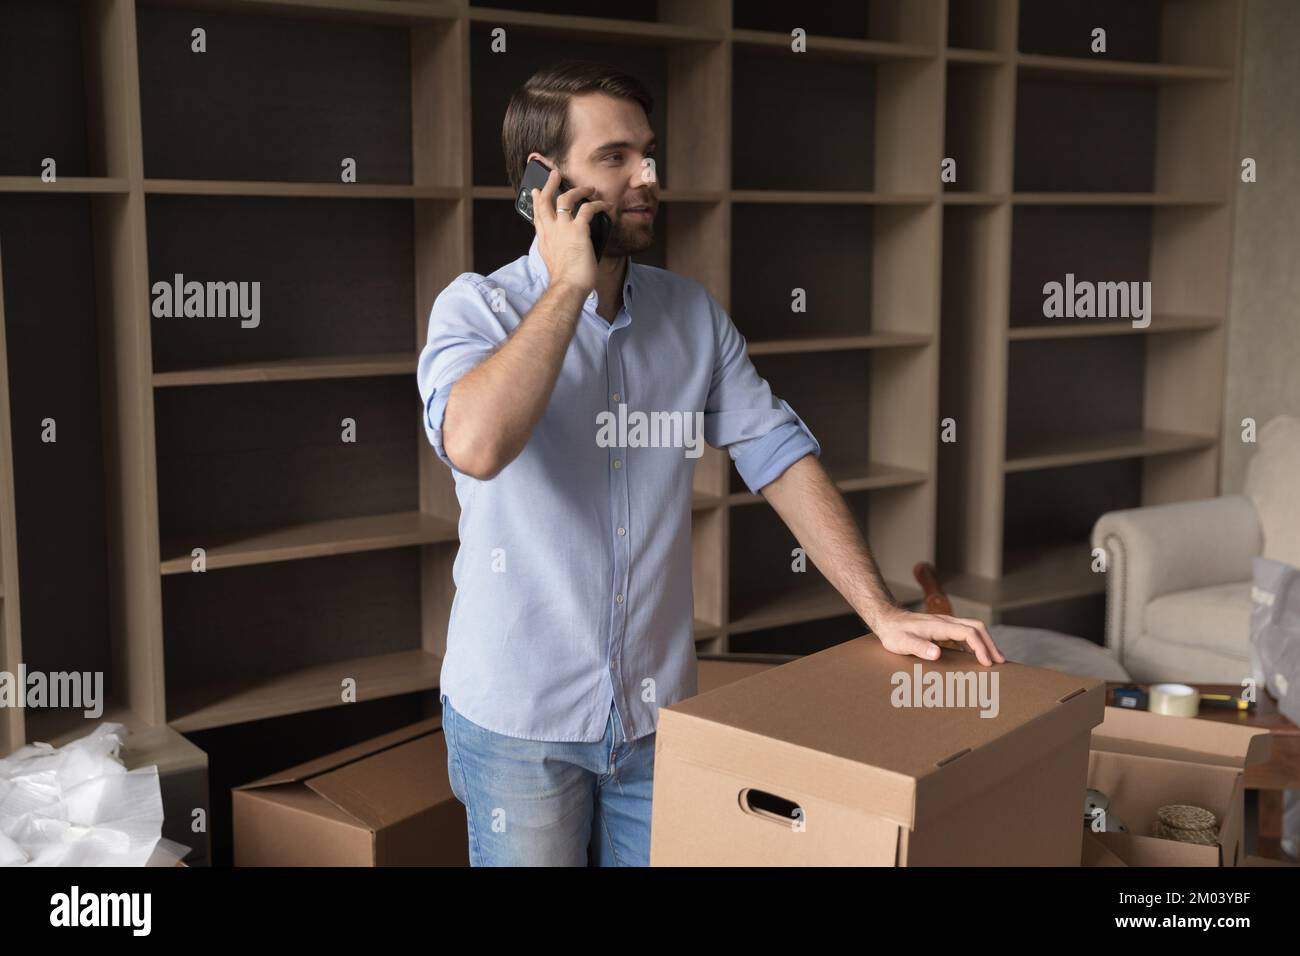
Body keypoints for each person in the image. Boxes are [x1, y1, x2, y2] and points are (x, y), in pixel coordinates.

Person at [417, 60, 1004, 867]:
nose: (647, 178)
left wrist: (880, 610)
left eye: (649, 154)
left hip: (659, 717)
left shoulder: (691, 314)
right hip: (520, 724)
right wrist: (566, 289)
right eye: (615, 157)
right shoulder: (476, 309)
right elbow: (478, 445)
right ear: (541, 183)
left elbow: (779, 455)